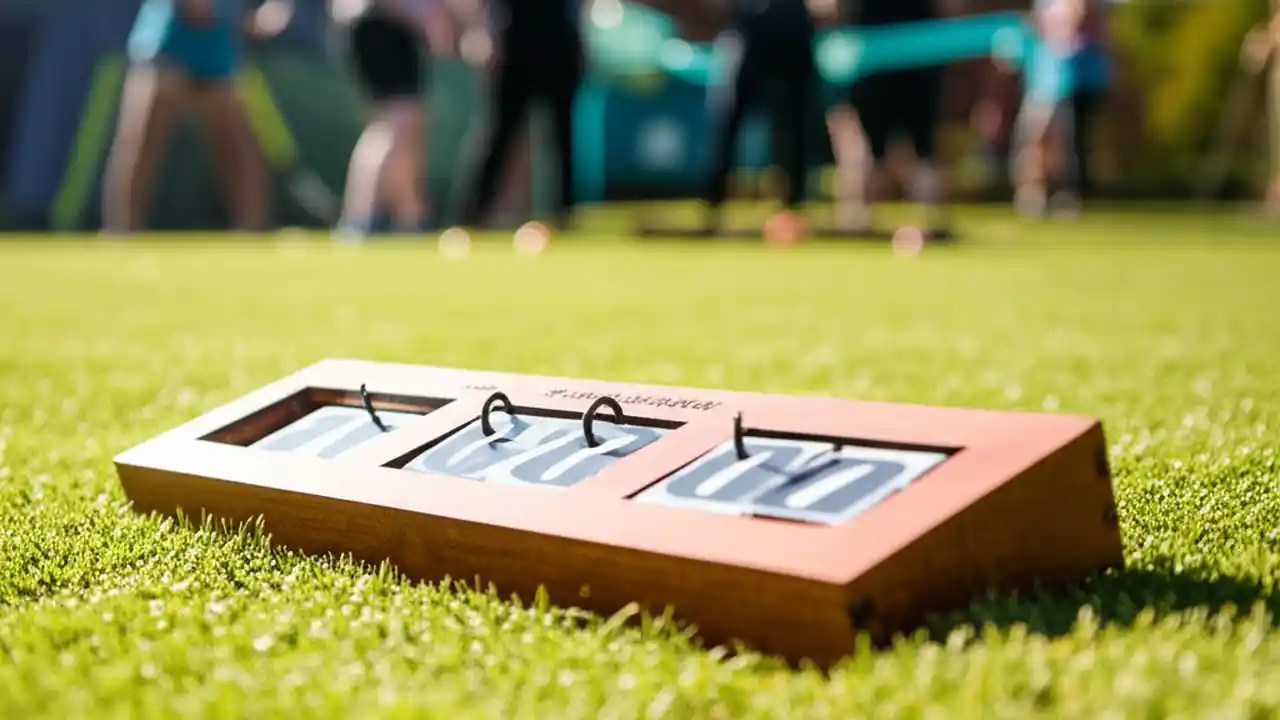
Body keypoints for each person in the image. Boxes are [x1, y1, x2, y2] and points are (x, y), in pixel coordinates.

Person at [102, 0, 291, 234]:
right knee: (140, 147)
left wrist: (264, 15)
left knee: (239, 153)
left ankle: (254, 229)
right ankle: (120, 230)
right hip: (165, 43)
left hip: (217, 46)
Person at [826, 0, 952, 236]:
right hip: (905, 58)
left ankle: (859, 220)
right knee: (912, 149)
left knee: (884, 148)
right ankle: (929, 221)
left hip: (887, 60)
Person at [332, 0, 453, 239]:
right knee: (399, 126)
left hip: (379, 27)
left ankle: (402, 214)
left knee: (393, 127)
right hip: (381, 26)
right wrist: (421, 18)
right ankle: (382, 216)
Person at [459, 0, 583, 231]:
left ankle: (566, 213)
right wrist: (485, 33)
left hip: (559, 44)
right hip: (516, 45)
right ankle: (473, 214)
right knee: (499, 135)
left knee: (563, 137)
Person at [703, 0, 817, 238]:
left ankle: (792, 210)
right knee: (730, 123)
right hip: (751, 30)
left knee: (792, 129)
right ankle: (713, 209)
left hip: (790, 31)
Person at [1011, 0, 1112, 218]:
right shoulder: (1045, 7)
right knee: (1034, 142)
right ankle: (1033, 193)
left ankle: (1065, 193)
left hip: (1068, 84)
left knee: (1065, 144)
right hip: (1042, 84)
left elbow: (1086, 18)